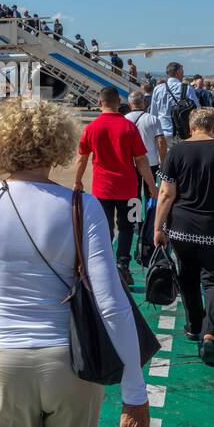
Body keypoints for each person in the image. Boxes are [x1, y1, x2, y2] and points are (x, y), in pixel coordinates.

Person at [0, 99, 151, 427]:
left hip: (3, 358)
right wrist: (134, 393)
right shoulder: (81, 206)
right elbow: (111, 304)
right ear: (59, 144)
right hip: (71, 364)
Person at [154, 107, 214, 365]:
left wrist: (157, 227)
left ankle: (194, 325)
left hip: (182, 229)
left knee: (188, 279)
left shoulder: (176, 151)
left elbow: (166, 194)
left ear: (190, 125)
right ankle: (211, 335)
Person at [73, 86, 157, 287]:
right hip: (129, 190)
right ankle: (123, 265)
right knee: (129, 226)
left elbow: (81, 159)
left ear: (100, 103)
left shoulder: (91, 128)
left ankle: (105, 267)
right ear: (119, 103)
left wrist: (77, 181)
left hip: (102, 190)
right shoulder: (129, 127)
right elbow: (142, 160)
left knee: (105, 228)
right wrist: (152, 186)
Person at [125, 89, 163, 263]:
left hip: (130, 163)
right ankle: (149, 220)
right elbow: (160, 141)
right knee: (151, 193)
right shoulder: (152, 119)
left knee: (133, 194)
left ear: (130, 103)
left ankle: (135, 224)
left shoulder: (125, 119)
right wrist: (164, 160)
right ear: (144, 103)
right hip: (151, 162)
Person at [149, 61, 203, 151]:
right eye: (182, 72)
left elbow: (153, 114)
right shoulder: (186, 88)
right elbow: (198, 110)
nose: (183, 75)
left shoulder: (157, 89)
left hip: (162, 132)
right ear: (178, 72)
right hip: (181, 132)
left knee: (165, 162)